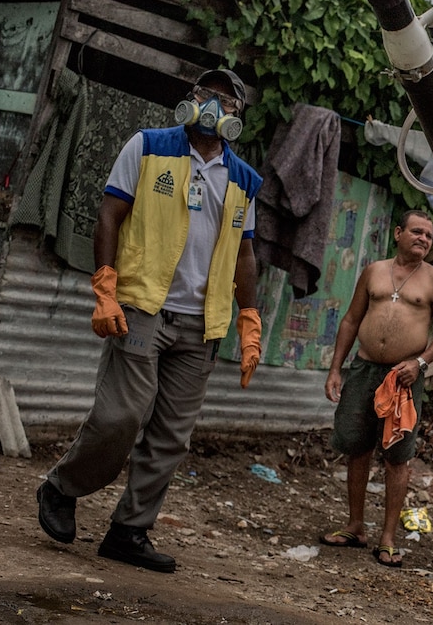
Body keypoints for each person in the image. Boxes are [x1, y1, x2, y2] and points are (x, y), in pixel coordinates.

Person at [35, 68, 264, 573]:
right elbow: (110, 215)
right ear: (191, 98)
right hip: (142, 306)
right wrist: (105, 288)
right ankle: (61, 487)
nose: (215, 105)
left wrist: (249, 317)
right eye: (208, 94)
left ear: (238, 118)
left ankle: (129, 531)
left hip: (200, 324)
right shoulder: (148, 145)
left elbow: (245, 255)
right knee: (123, 415)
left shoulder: (245, 179)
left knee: (171, 437)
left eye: (228, 101)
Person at [320, 210, 433, 568]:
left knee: (397, 456)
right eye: (416, 232)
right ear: (398, 233)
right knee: (356, 446)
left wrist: (420, 363)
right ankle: (354, 526)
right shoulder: (373, 272)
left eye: (429, 235)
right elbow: (350, 320)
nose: (423, 239)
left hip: (404, 379)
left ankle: (388, 538)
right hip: (364, 369)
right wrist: (336, 369)